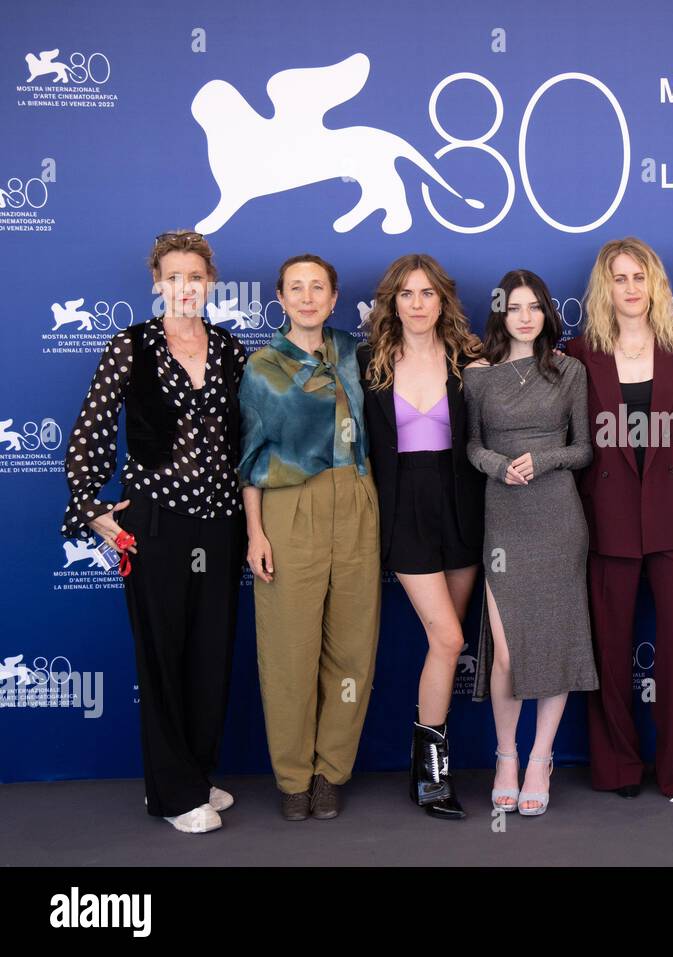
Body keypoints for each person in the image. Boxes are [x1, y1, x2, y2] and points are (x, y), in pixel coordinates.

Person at [61, 229, 246, 834]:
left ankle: (194, 775)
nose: (185, 287)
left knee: (209, 656)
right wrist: (93, 510)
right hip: (156, 525)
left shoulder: (229, 348)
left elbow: (248, 438)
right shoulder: (130, 345)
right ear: (157, 284)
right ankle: (170, 795)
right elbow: (90, 429)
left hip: (220, 525)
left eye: (195, 277)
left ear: (209, 283)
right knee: (162, 658)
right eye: (174, 277)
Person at [239, 254, 381, 822]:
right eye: (295, 288)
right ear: (279, 298)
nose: (306, 297)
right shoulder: (261, 366)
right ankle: (293, 776)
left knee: (352, 650)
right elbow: (250, 456)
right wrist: (255, 533)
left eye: (317, 287)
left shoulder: (353, 352)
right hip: (287, 506)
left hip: (355, 498)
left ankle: (331, 772)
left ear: (333, 297)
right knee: (288, 651)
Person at [566, 238, 673, 801]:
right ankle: (619, 767)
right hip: (607, 519)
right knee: (609, 653)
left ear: (656, 285)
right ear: (606, 288)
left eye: (640, 277)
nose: (631, 288)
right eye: (620, 278)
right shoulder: (578, 353)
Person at [465, 269, 596, 817]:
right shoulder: (477, 376)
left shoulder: (570, 370)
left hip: (558, 516)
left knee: (557, 642)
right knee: (509, 652)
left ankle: (541, 758)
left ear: (546, 313)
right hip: (504, 517)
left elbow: (585, 448)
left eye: (534, 307)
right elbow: (471, 445)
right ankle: (506, 756)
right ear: (501, 313)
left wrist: (543, 459)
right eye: (514, 307)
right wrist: (498, 465)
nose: (525, 316)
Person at [358, 254, 484, 821]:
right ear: (392, 303)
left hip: (462, 506)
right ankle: (432, 777)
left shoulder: (470, 360)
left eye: (427, 293)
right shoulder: (368, 363)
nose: (416, 303)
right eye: (405, 294)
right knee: (450, 639)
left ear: (442, 301)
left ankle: (426, 772)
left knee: (445, 643)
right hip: (402, 506)